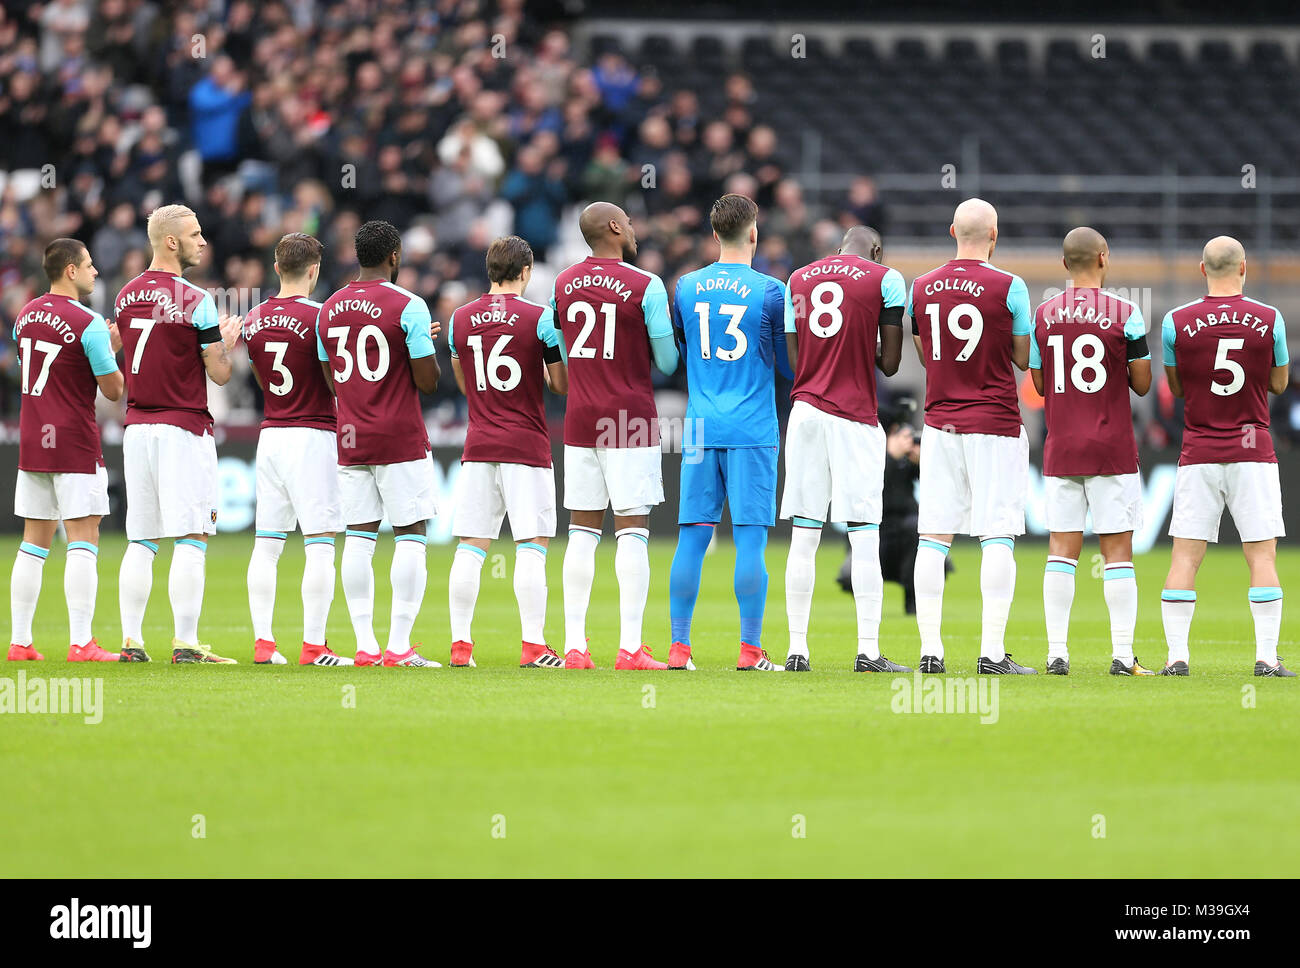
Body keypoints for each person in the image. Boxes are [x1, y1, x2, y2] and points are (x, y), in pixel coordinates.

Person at [908, 198, 1035, 674]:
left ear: (951, 231)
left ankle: (930, 652)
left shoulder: (921, 286)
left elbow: (926, 354)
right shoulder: (1010, 286)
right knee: (997, 533)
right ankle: (992, 654)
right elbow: (1023, 358)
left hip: (941, 423)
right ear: (994, 235)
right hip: (995, 422)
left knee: (933, 537)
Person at [666, 194, 792, 671]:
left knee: (693, 537)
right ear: (754, 234)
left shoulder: (686, 287)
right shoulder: (771, 291)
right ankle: (749, 651)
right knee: (751, 539)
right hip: (752, 428)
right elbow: (784, 365)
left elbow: (682, 349)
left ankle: (679, 649)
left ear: (714, 235)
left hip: (700, 426)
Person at [551, 202, 678, 670]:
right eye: (629, 221)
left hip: (581, 418)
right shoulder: (646, 284)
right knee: (632, 531)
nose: (635, 229)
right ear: (614, 227)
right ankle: (629, 649)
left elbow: (551, 336)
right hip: (630, 419)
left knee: (581, 533)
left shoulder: (563, 283)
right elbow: (667, 362)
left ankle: (574, 648)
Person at [1159, 236, 1292, 677]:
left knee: (1184, 557)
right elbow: (1278, 385)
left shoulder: (1176, 321)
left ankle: (1177, 657)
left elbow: (1176, 388)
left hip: (1199, 450)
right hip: (1253, 452)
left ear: (1202, 270)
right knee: (1262, 557)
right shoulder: (1270, 318)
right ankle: (1266, 659)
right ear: (1244, 268)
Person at [114, 205, 242, 664]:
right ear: (171, 241)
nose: (203, 241)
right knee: (191, 536)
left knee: (142, 539)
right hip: (183, 427)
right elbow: (220, 375)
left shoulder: (125, 295)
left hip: (137, 428)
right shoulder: (197, 300)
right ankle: (186, 643)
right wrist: (225, 345)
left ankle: (131, 643)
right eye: (195, 234)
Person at [780, 225, 909, 673]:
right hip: (853, 416)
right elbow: (890, 364)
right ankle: (868, 652)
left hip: (805, 414)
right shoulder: (884, 278)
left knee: (804, 533)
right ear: (876, 250)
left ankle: (797, 651)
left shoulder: (798, 278)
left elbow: (797, 361)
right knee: (864, 532)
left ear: (838, 249)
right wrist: (861, 342)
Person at [1030, 227, 1154, 676]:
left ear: (1065, 264)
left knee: (1061, 550)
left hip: (1062, 445)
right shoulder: (1126, 312)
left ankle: (1056, 654)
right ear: (1103, 258)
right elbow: (1141, 385)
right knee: (1117, 552)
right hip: (1111, 447)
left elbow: (1041, 384)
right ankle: (1122, 656)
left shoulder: (1043, 314)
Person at [318, 220, 442, 667]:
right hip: (400, 436)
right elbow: (428, 382)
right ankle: (399, 647)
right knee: (411, 534)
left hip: (351, 436)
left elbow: (331, 378)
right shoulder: (408, 305)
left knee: (359, 537)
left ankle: (365, 646)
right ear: (394, 256)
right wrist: (420, 347)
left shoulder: (328, 308)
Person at [446, 236, 568, 669]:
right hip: (526, 442)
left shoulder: (460, 318)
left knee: (471, 546)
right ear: (526, 271)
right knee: (531, 546)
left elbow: (463, 378)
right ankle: (533, 646)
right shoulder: (540, 318)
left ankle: (461, 646)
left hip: (479, 443)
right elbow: (560, 385)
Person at [8, 239, 126, 663]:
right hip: (74, 441)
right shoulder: (89, 322)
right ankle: (82, 643)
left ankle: (20, 642)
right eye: (90, 265)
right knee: (83, 538)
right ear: (71, 271)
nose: (96, 272)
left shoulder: (24, 315)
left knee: (33, 544)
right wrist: (110, 350)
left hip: (34, 440)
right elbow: (114, 391)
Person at [242, 233, 350, 667]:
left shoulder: (251, 319)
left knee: (266, 545)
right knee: (320, 544)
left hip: (271, 433)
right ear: (314, 270)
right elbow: (335, 379)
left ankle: (264, 644)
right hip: (314, 433)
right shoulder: (323, 317)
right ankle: (314, 646)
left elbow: (258, 373)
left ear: (275, 267)